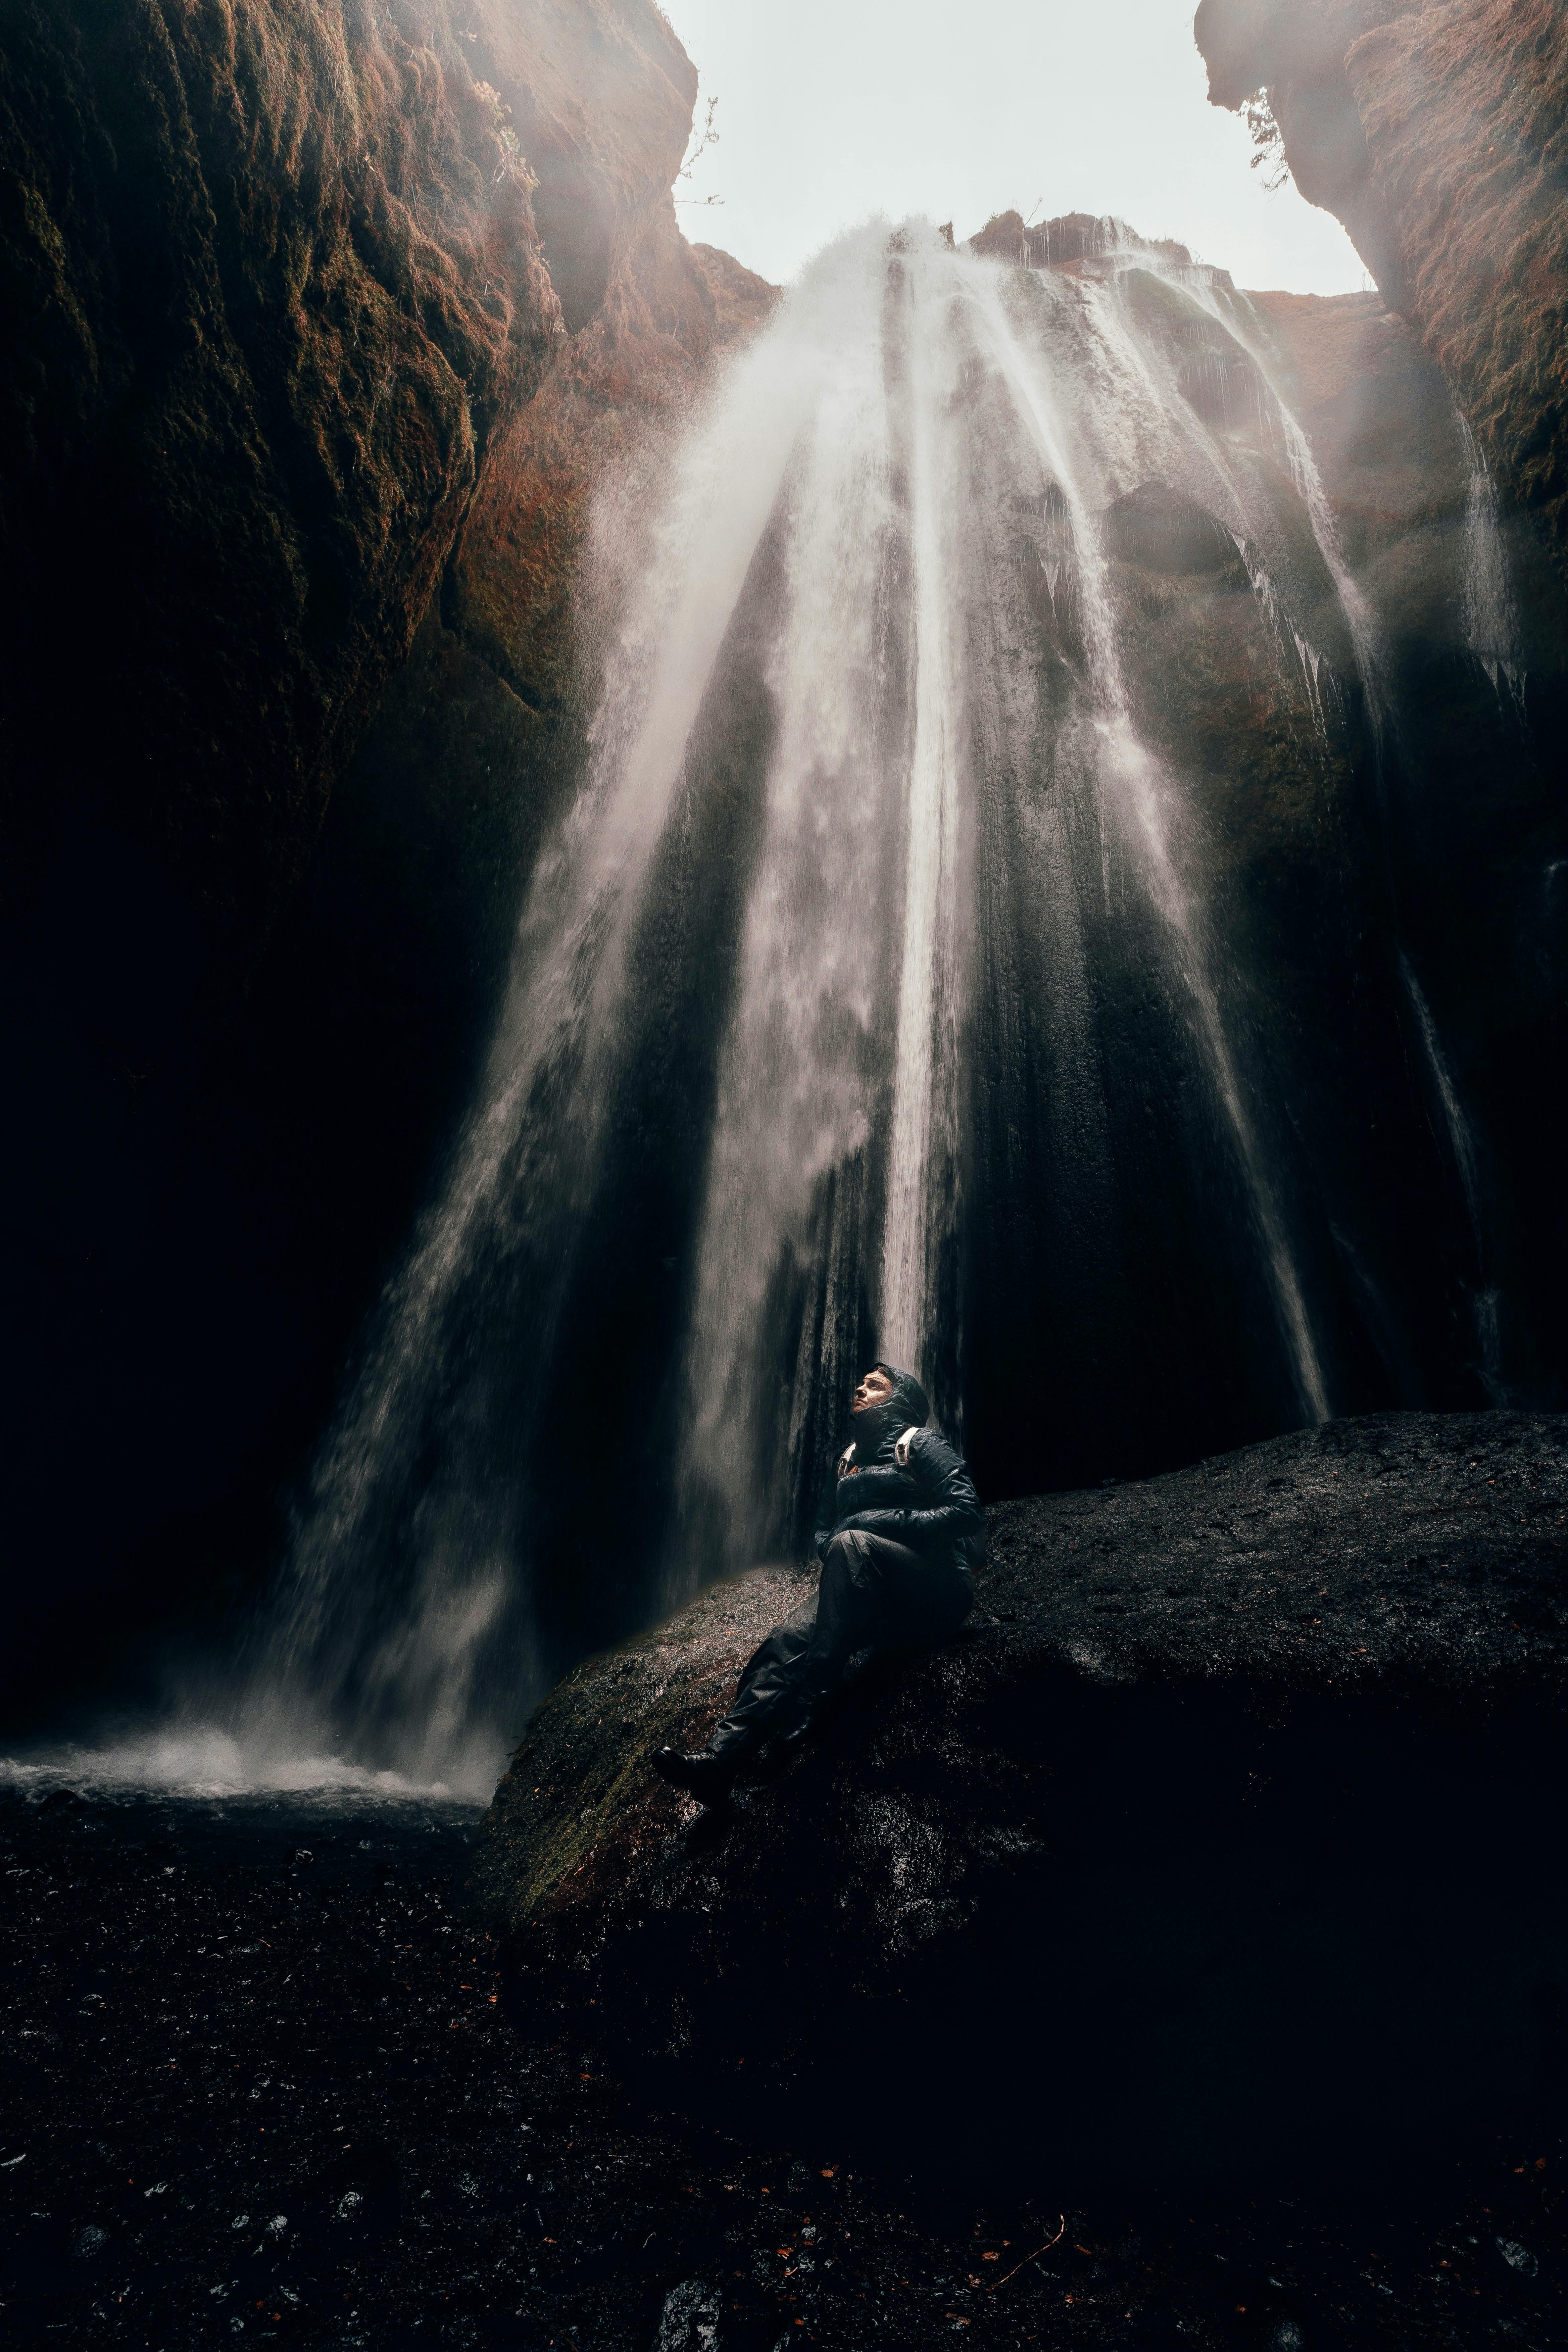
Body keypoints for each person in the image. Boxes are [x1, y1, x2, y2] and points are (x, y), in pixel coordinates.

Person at [652, 1361, 982, 1804]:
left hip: (937, 1589)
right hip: (869, 1586)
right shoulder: (847, 1460)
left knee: (853, 1545)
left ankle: (815, 1701)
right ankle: (720, 1762)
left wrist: (876, 1522)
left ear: (899, 1400)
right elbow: (824, 1531)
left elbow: (966, 1512)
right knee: (789, 1636)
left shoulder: (919, 1443)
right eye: (861, 1383)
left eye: (874, 1386)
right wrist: (840, 1544)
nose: (860, 1389)